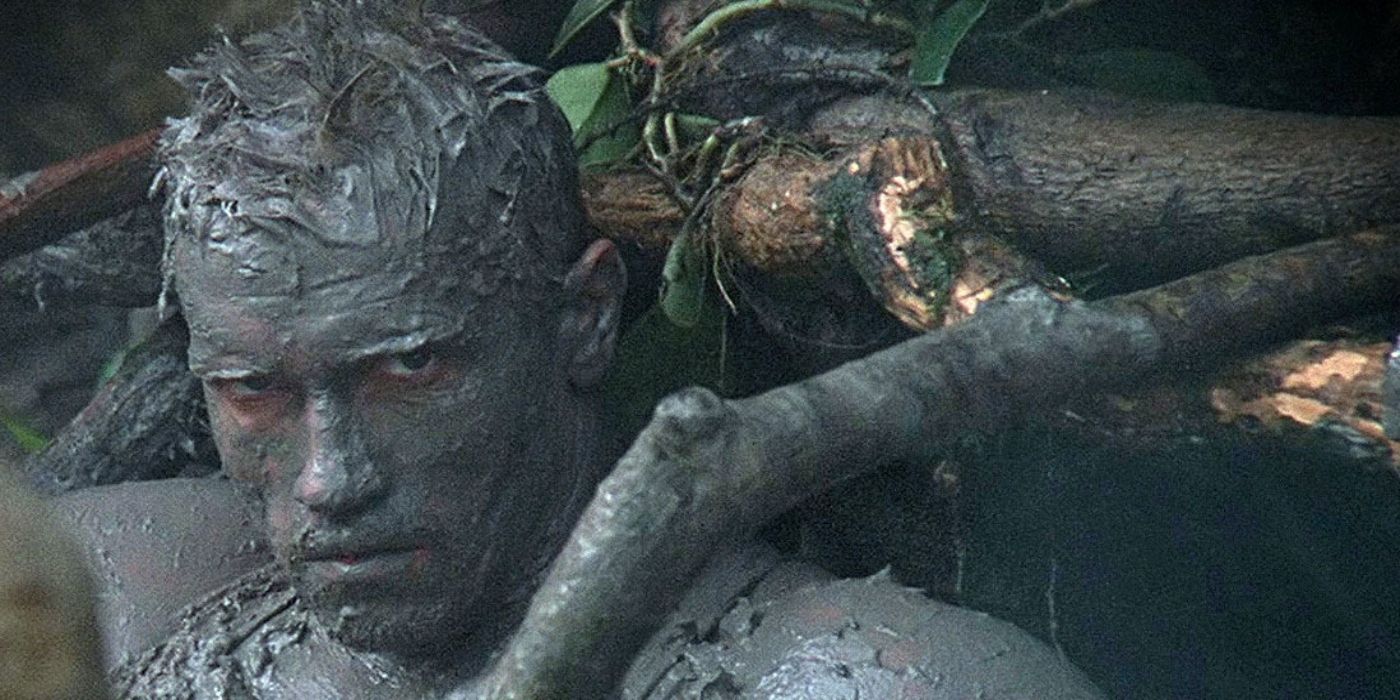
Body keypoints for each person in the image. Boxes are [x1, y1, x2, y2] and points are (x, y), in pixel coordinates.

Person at [47, 2, 1104, 696]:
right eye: (253, 391)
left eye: (410, 369)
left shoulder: (865, 682)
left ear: (586, 317)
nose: (331, 479)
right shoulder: (112, 604)